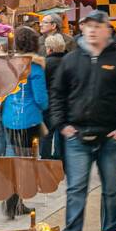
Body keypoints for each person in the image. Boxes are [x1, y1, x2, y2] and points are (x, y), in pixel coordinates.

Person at [47, 9, 116, 231]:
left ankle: (112, 230)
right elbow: (57, 94)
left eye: (98, 26)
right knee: (76, 188)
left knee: (111, 187)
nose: (93, 30)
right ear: (83, 29)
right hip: (76, 135)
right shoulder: (71, 60)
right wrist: (61, 124)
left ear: (107, 30)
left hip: (110, 136)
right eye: (89, 26)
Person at [0, 25, 48, 218]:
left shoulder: (7, 65)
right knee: (24, 164)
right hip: (29, 121)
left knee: (14, 160)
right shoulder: (35, 68)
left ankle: (14, 201)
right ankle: (12, 202)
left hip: (9, 119)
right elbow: (41, 100)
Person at [42, 32, 68, 161]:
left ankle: (46, 159)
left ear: (50, 49)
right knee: (61, 132)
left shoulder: (45, 63)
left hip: (49, 102)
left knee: (46, 134)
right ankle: (60, 157)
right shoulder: (68, 61)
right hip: (65, 103)